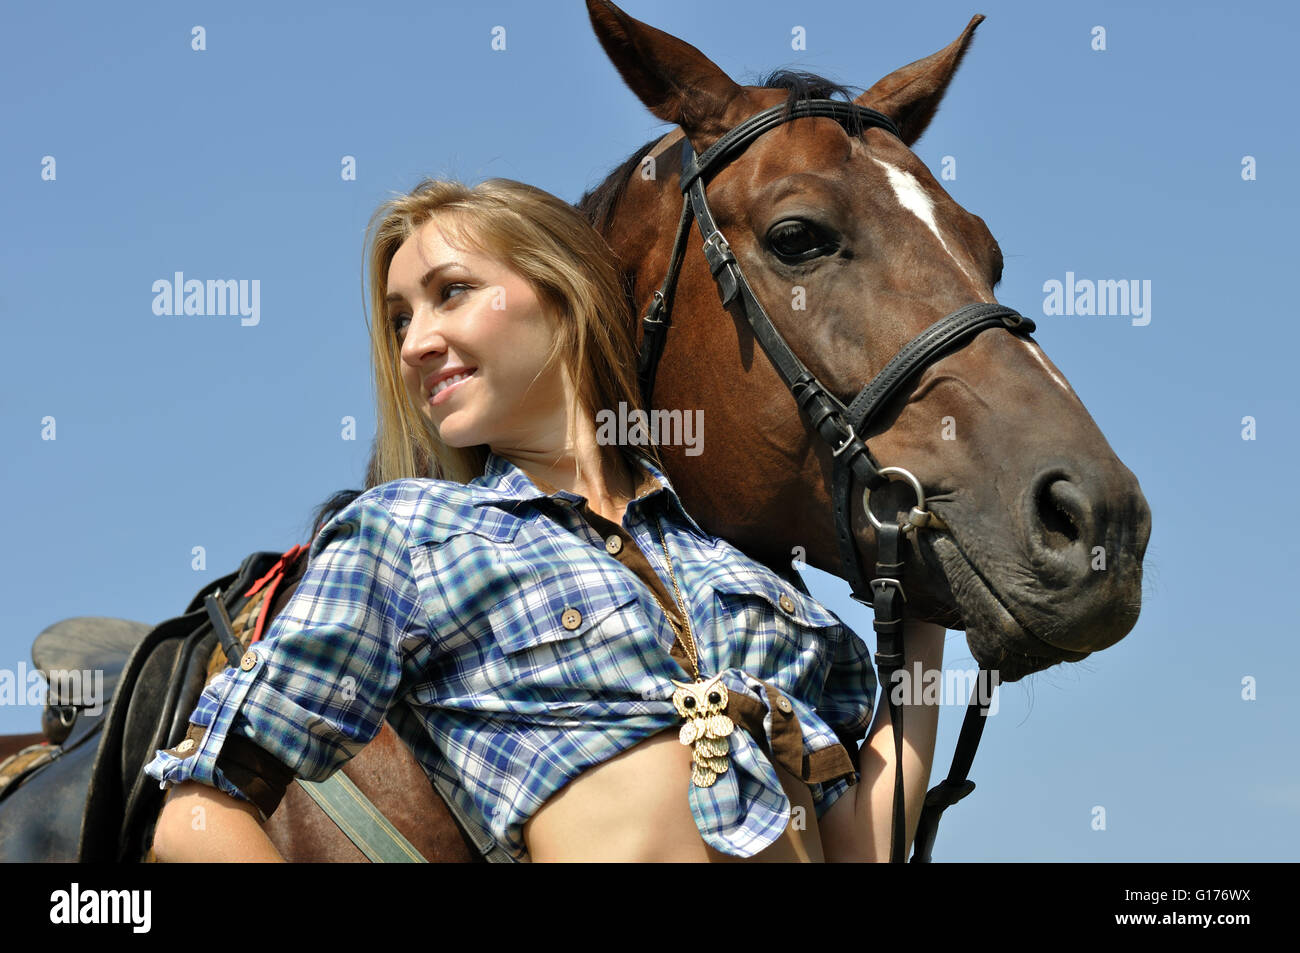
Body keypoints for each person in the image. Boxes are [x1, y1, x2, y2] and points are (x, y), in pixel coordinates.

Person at [146, 177, 945, 863]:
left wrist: (929, 612)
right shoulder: (410, 536)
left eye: (449, 292)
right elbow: (195, 820)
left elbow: (860, 845)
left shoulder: (740, 557)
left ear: (563, 294)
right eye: (398, 320)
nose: (416, 342)